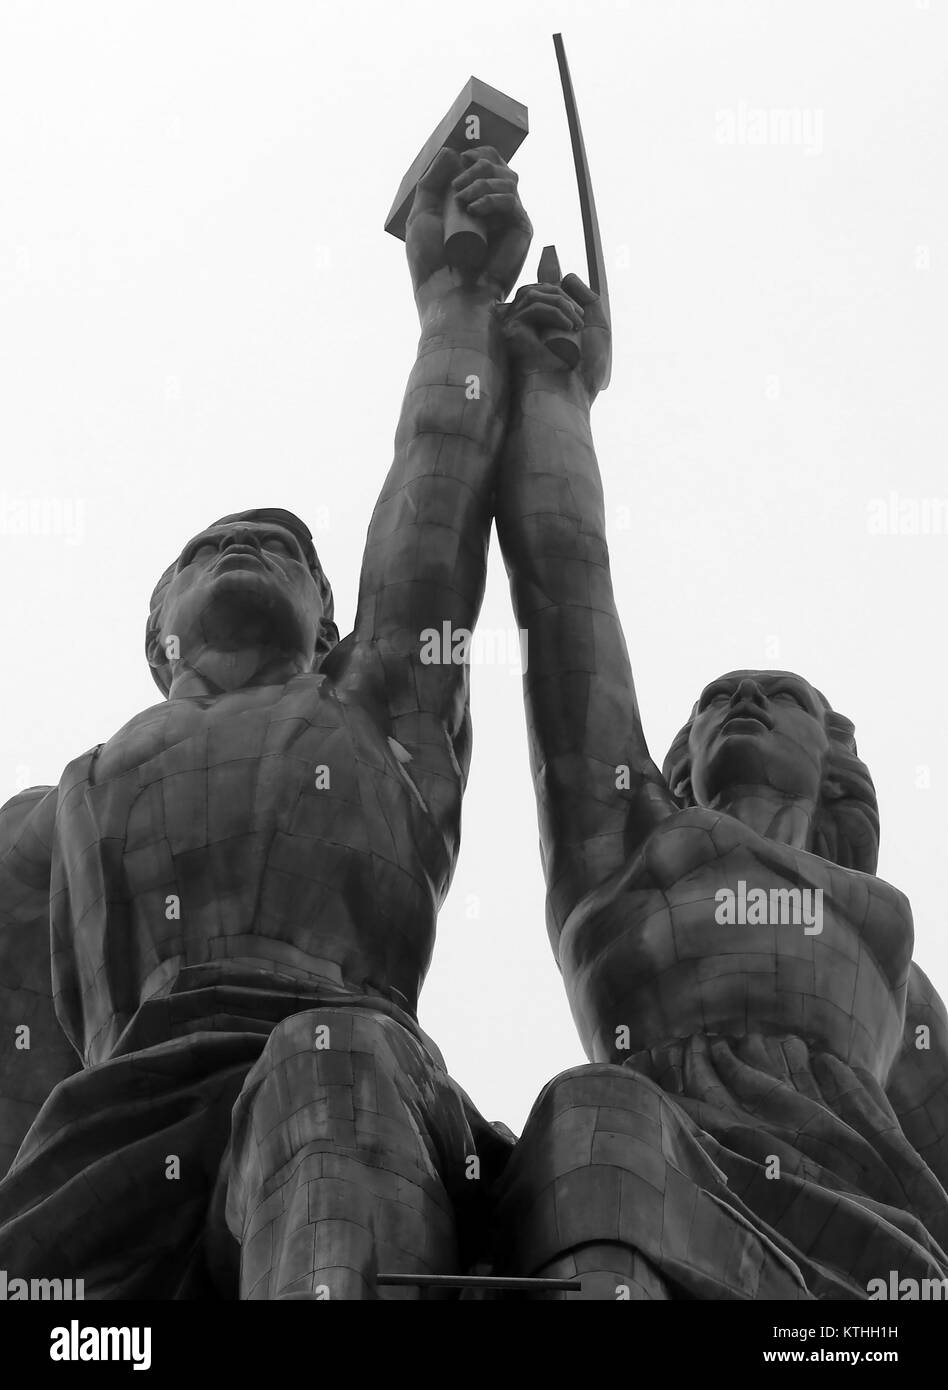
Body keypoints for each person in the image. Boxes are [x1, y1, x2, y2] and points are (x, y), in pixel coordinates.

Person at [0, 145, 530, 1300]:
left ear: (337, 625)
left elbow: (434, 489)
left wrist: (454, 301)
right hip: (109, 1133)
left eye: (288, 550)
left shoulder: (381, 709)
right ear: (156, 638)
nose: (249, 548)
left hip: (351, 1082)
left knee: (324, 1071)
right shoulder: (54, 816)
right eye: (209, 548)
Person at [490, 268, 948, 1299]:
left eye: (776, 694)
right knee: (594, 1124)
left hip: (875, 1231)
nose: (739, 700)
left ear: (835, 771)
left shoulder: (885, 940)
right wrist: (558, 394)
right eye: (716, 697)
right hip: (660, 1169)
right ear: (680, 756)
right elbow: (568, 586)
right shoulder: (623, 843)